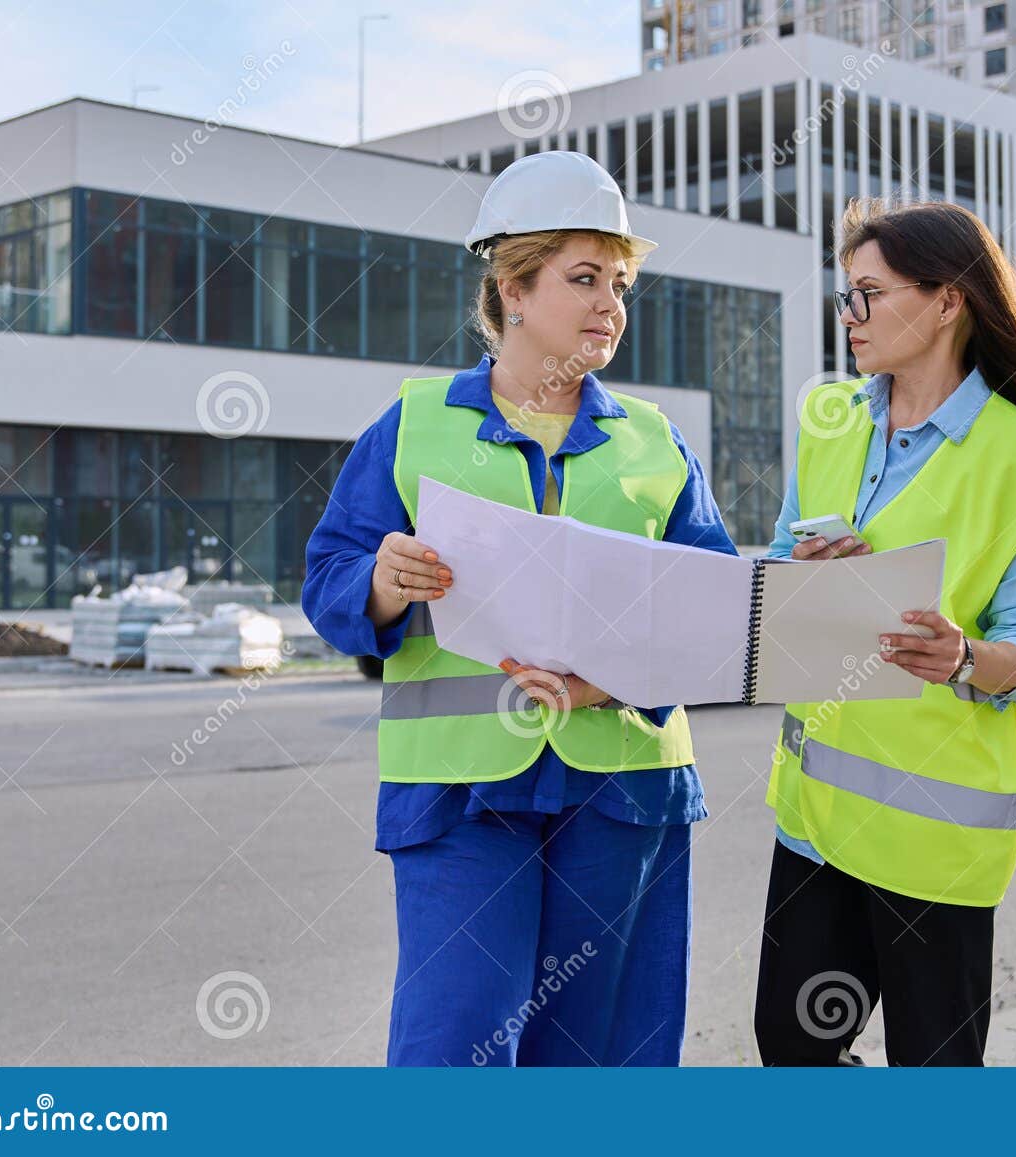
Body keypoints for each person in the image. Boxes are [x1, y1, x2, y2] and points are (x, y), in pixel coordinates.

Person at [302, 151, 735, 1067]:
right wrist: (383, 581)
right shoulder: (414, 425)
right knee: (453, 1044)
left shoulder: (656, 444)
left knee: (601, 1051)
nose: (609, 303)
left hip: (620, 790)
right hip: (462, 795)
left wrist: (605, 680)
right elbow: (329, 576)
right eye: (583, 279)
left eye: (619, 282)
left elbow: (716, 611)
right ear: (512, 286)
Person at [754, 197, 1016, 1067]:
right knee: (790, 1046)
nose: (850, 316)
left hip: (936, 835)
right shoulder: (828, 417)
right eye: (846, 295)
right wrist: (805, 576)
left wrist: (965, 657)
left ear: (948, 300)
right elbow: (774, 574)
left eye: (869, 293)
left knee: (934, 1068)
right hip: (816, 819)